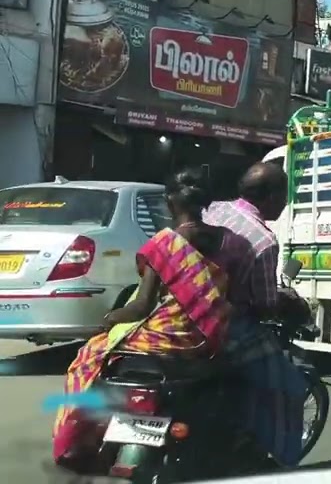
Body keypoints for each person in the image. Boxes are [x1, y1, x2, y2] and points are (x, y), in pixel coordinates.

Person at [53, 168, 240, 468]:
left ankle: (78, 441)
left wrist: (110, 318)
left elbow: (141, 306)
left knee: (87, 358)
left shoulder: (163, 245)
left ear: (169, 202)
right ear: (207, 202)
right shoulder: (230, 242)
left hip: (158, 341)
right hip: (205, 340)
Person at [203, 162, 309, 469]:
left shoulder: (213, 210)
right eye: (285, 194)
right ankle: (281, 462)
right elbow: (265, 305)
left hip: (185, 317)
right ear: (272, 197)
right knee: (291, 388)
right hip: (228, 328)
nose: (286, 202)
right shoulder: (263, 240)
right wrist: (286, 302)